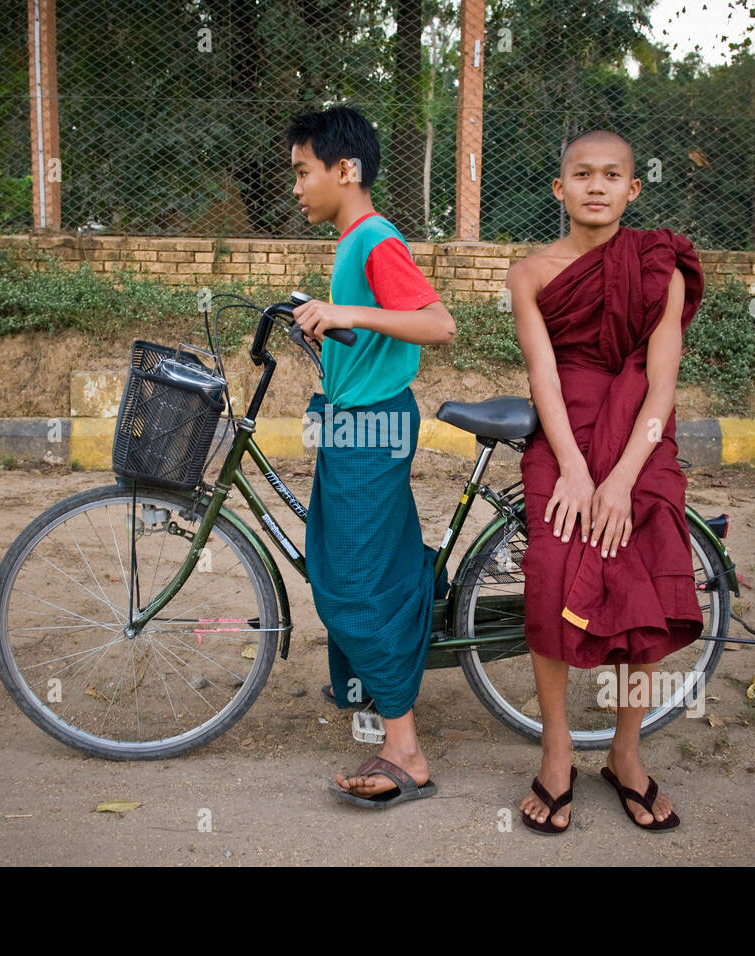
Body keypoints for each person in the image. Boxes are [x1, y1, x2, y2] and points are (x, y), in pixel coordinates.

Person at [506, 129, 705, 834]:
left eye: (611, 174)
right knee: (555, 569)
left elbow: (660, 386)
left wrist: (619, 482)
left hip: (641, 441)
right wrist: (574, 471)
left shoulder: (660, 269)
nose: (596, 185)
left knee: (639, 578)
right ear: (559, 190)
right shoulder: (529, 273)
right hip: (563, 438)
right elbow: (543, 379)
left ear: (633, 188)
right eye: (582, 175)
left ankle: (626, 750)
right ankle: (556, 746)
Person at [284, 104, 456, 808]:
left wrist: (347, 314)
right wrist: (325, 322)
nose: (296, 188)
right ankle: (363, 681)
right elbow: (377, 332)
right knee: (348, 557)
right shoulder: (352, 239)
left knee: (356, 577)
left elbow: (437, 323)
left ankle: (405, 751)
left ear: (344, 170)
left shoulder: (375, 238)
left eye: (303, 171)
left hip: (370, 429)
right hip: (351, 422)